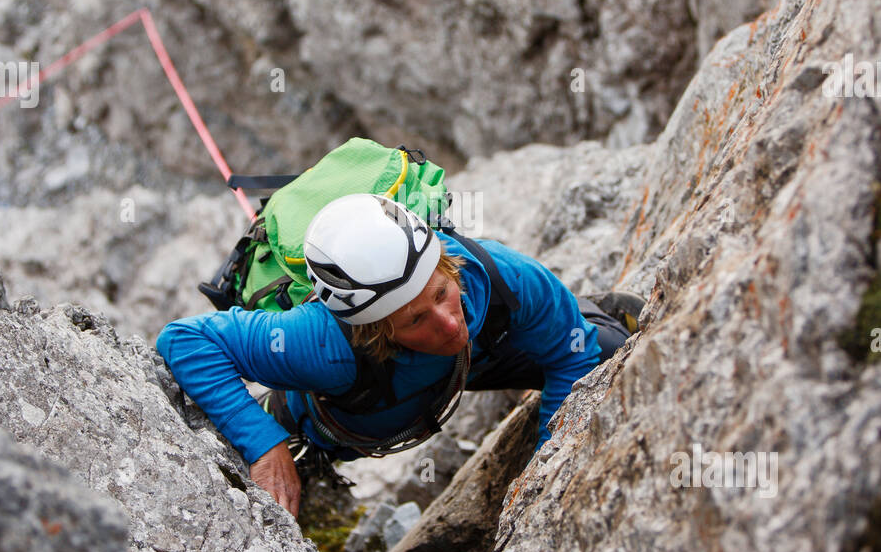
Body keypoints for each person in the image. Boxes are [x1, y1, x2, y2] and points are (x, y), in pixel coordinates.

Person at [156, 193, 641, 517]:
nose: (449, 321)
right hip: (346, 408)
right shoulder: (323, 343)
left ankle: (592, 313)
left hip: (471, 361)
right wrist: (264, 444)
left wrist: (547, 469)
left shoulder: (500, 278)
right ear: (374, 330)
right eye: (414, 319)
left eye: (441, 293)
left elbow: (569, 359)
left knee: (603, 352)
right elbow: (184, 339)